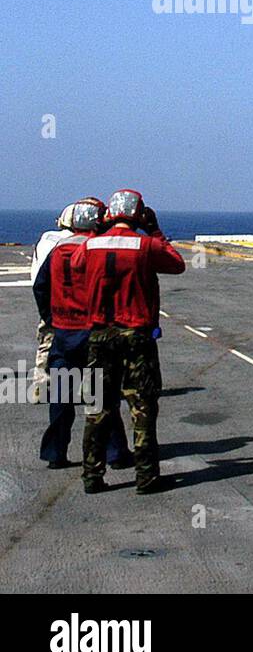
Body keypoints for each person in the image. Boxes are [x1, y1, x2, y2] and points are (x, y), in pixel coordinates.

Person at [77, 190, 186, 495]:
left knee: (98, 408)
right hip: (137, 336)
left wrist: (98, 232)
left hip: (100, 335)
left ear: (110, 214)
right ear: (140, 214)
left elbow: (75, 264)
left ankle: (92, 476)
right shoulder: (145, 245)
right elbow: (177, 264)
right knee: (142, 407)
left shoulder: (91, 245)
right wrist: (154, 229)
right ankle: (147, 477)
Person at [31, 198, 131, 470]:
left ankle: (55, 453)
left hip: (63, 332)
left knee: (61, 397)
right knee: (102, 396)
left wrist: (52, 319)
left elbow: (40, 287)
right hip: (94, 331)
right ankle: (115, 452)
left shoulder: (58, 249)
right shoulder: (97, 250)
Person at [29, 203, 79, 403]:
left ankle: (40, 387)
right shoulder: (79, 242)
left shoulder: (47, 237)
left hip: (47, 300)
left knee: (46, 343)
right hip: (71, 303)